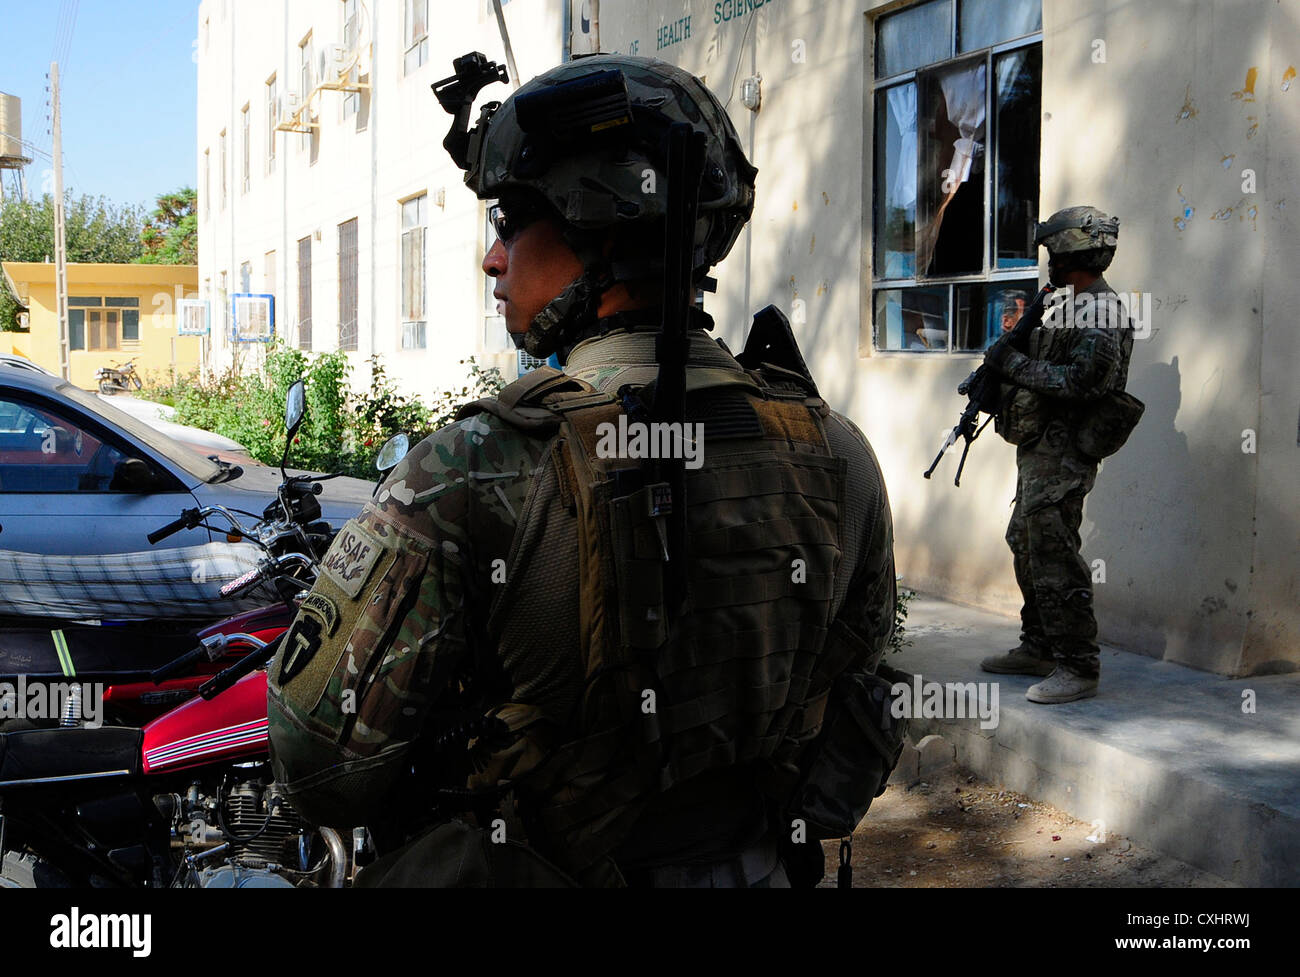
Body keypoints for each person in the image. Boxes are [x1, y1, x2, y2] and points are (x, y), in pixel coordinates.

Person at [267, 53, 899, 887]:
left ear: (595, 227)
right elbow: (859, 707)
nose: (493, 259)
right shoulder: (840, 453)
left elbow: (318, 767)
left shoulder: (477, 467)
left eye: (510, 222)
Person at [978, 206, 1134, 703]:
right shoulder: (1067, 304)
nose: (1049, 261)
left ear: (1076, 252)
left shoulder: (1102, 310)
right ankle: (1040, 645)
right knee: (1024, 541)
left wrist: (1014, 364)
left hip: (1066, 452)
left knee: (1054, 550)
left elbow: (1082, 384)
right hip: (1041, 448)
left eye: (1054, 252)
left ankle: (1077, 664)